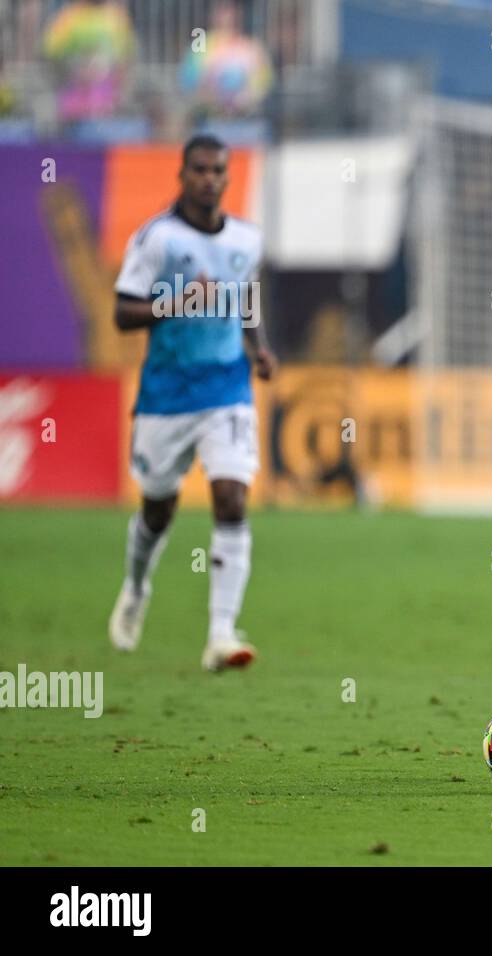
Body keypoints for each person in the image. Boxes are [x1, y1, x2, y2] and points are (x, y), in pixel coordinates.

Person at [108, 133, 277, 670]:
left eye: (217, 170)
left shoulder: (247, 240)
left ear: (228, 178)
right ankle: (136, 588)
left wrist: (259, 348)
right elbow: (121, 313)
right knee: (158, 508)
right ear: (182, 176)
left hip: (226, 388)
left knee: (231, 497)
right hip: (166, 395)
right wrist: (174, 302)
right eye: (199, 170)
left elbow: (245, 299)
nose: (209, 179)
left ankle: (221, 635)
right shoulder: (157, 239)